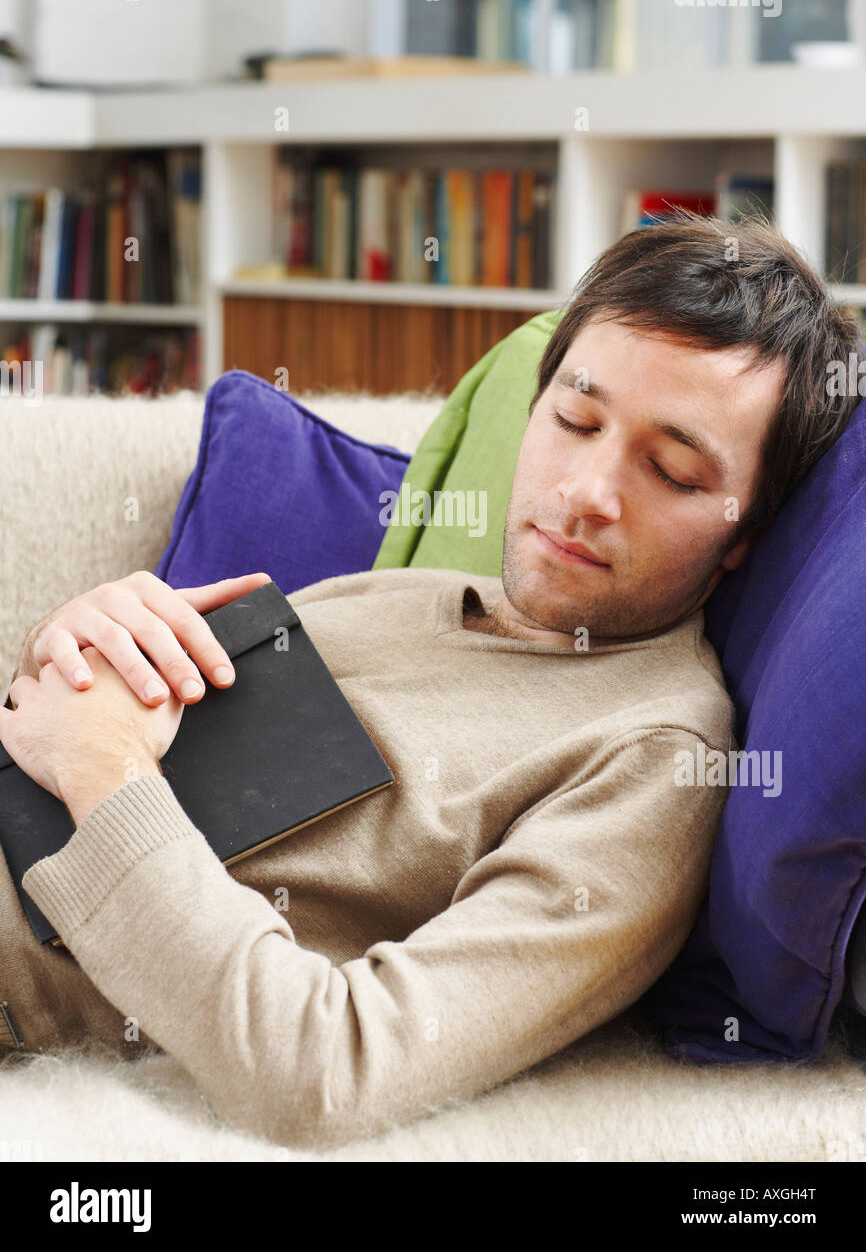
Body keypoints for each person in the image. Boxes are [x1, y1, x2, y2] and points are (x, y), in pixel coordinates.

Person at [0, 215, 859, 1150]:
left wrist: (106, 776)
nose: (587, 492)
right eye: (575, 419)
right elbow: (70, 726)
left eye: (672, 471)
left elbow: (325, 1071)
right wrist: (65, 652)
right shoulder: (399, 595)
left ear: (743, 538)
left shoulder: (653, 762)